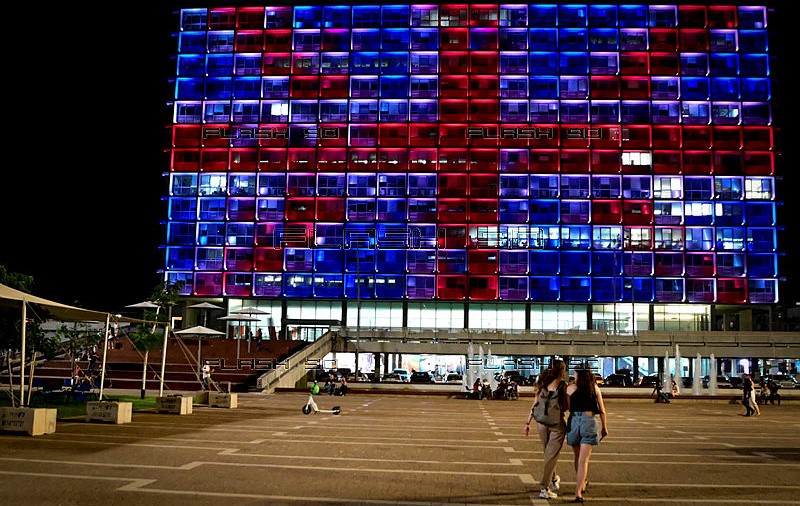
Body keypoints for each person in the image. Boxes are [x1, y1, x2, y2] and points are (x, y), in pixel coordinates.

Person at [524, 359, 568, 500]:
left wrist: (528, 422)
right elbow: (566, 406)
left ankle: (554, 478)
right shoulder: (563, 385)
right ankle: (544, 487)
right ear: (562, 371)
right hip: (556, 424)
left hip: (541, 423)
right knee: (551, 456)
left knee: (548, 454)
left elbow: (535, 404)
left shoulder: (542, 383)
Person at [566, 364, 609, 503]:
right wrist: (604, 427)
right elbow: (602, 409)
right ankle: (579, 491)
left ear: (578, 374)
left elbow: (567, 407)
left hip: (574, 421)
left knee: (577, 456)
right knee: (584, 460)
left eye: (575, 373)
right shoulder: (594, 388)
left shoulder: (570, 388)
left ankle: (582, 483)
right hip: (589, 420)